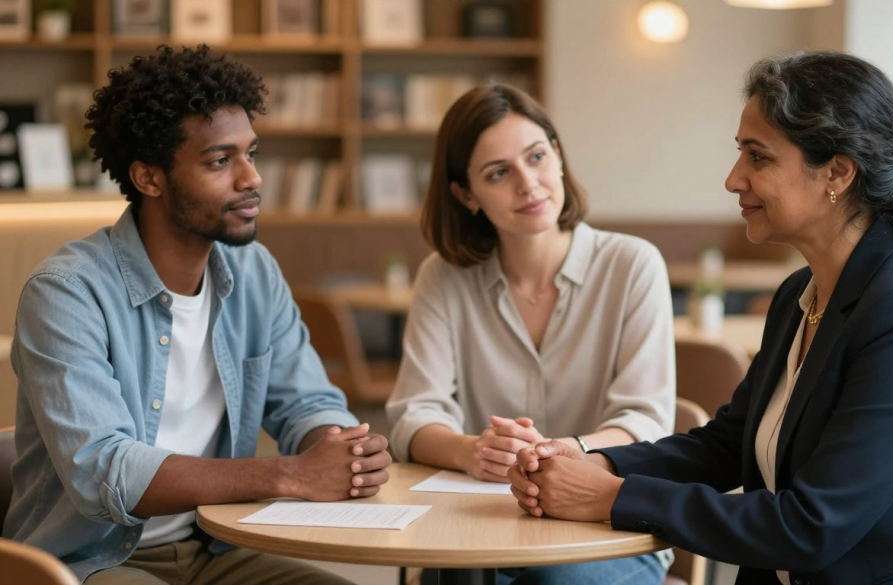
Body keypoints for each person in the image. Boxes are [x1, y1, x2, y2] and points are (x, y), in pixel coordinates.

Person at [510, 51, 893, 585]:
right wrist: (597, 461)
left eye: (758, 157)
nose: (732, 179)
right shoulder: (801, 291)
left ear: (837, 172)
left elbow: (812, 526)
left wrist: (613, 498)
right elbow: (728, 444)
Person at [2, 45, 391, 584]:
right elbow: (106, 472)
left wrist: (341, 444)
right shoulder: (65, 293)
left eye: (251, 153)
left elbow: (306, 401)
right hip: (92, 561)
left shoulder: (254, 271)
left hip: (217, 548)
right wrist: (291, 474)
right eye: (219, 160)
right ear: (149, 178)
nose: (251, 178)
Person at [384, 83, 675, 584]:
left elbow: (644, 419)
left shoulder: (632, 264)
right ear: (466, 195)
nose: (528, 184)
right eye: (499, 173)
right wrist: (473, 451)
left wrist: (562, 453)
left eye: (537, 157)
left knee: (550, 582)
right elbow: (414, 414)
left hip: (608, 526)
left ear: (558, 157)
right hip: (479, 527)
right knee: (450, 576)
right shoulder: (443, 276)